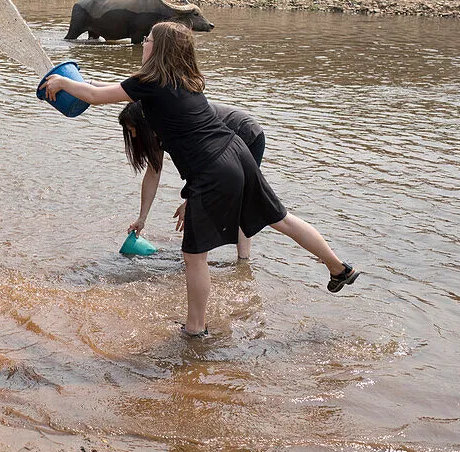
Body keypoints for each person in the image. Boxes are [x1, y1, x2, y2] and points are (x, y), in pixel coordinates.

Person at [40, 21, 360, 339]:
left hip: (212, 169)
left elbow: (95, 96)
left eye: (148, 39)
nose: (144, 43)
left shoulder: (149, 81)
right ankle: (338, 268)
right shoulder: (185, 79)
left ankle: (195, 329)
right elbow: (109, 94)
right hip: (237, 152)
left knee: (194, 257)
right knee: (282, 219)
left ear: (159, 49)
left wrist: (63, 83)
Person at [119, 100, 264, 259]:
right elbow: (153, 173)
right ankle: (202, 259)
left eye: (133, 130)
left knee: (238, 202)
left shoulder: (175, 127)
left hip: (245, 134)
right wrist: (142, 218)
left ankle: (241, 262)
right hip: (216, 151)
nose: (133, 136)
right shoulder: (157, 133)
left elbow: (205, 168)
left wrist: (189, 201)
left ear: (145, 125)